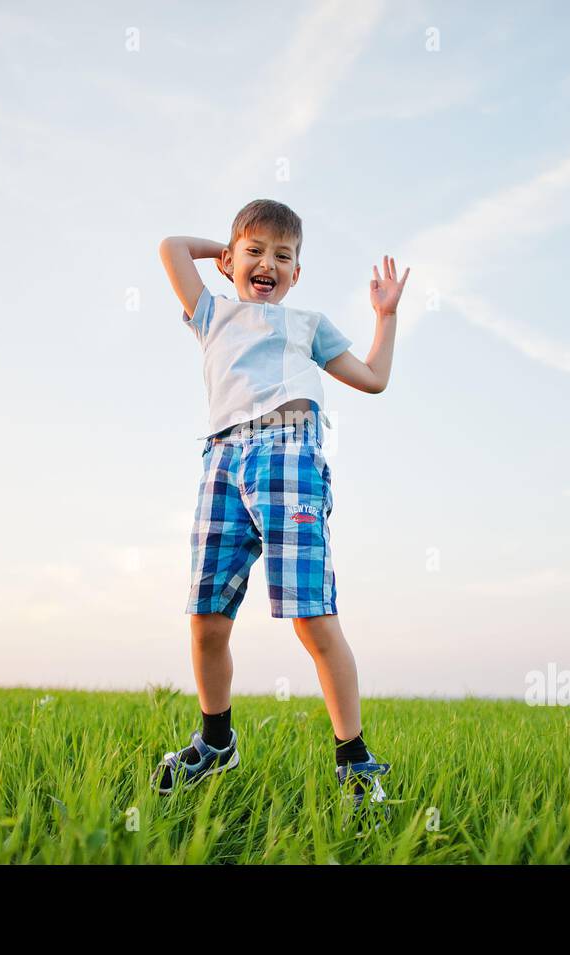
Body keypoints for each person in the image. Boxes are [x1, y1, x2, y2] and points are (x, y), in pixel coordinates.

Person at [152, 199, 409, 823]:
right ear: (231, 263)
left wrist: (385, 316)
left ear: (297, 273)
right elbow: (170, 247)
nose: (268, 263)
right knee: (206, 616)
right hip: (222, 461)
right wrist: (225, 248)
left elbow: (374, 377)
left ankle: (355, 761)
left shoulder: (307, 323)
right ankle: (216, 744)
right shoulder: (211, 313)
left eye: (283, 256)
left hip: (289, 456)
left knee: (312, 618)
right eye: (255, 252)